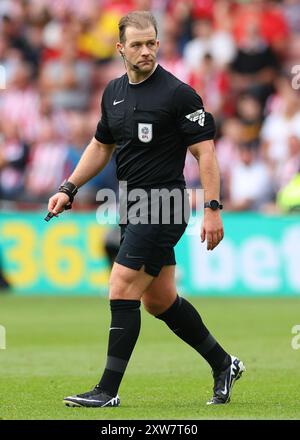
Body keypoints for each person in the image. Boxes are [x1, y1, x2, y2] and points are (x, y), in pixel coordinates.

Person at [47, 11, 245, 408]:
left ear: (158, 43)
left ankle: (107, 391)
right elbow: (101, 145)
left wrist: (212, 208)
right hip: (131, 205)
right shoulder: (113, 92)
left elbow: (205, 154)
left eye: (151, 42)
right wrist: (69, 187)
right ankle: (224, 364)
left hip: (165, 205)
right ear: (120, 48)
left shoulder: (178, 94)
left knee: (120, 286)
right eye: (136, 44)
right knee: (159, 301)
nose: (145, 51)